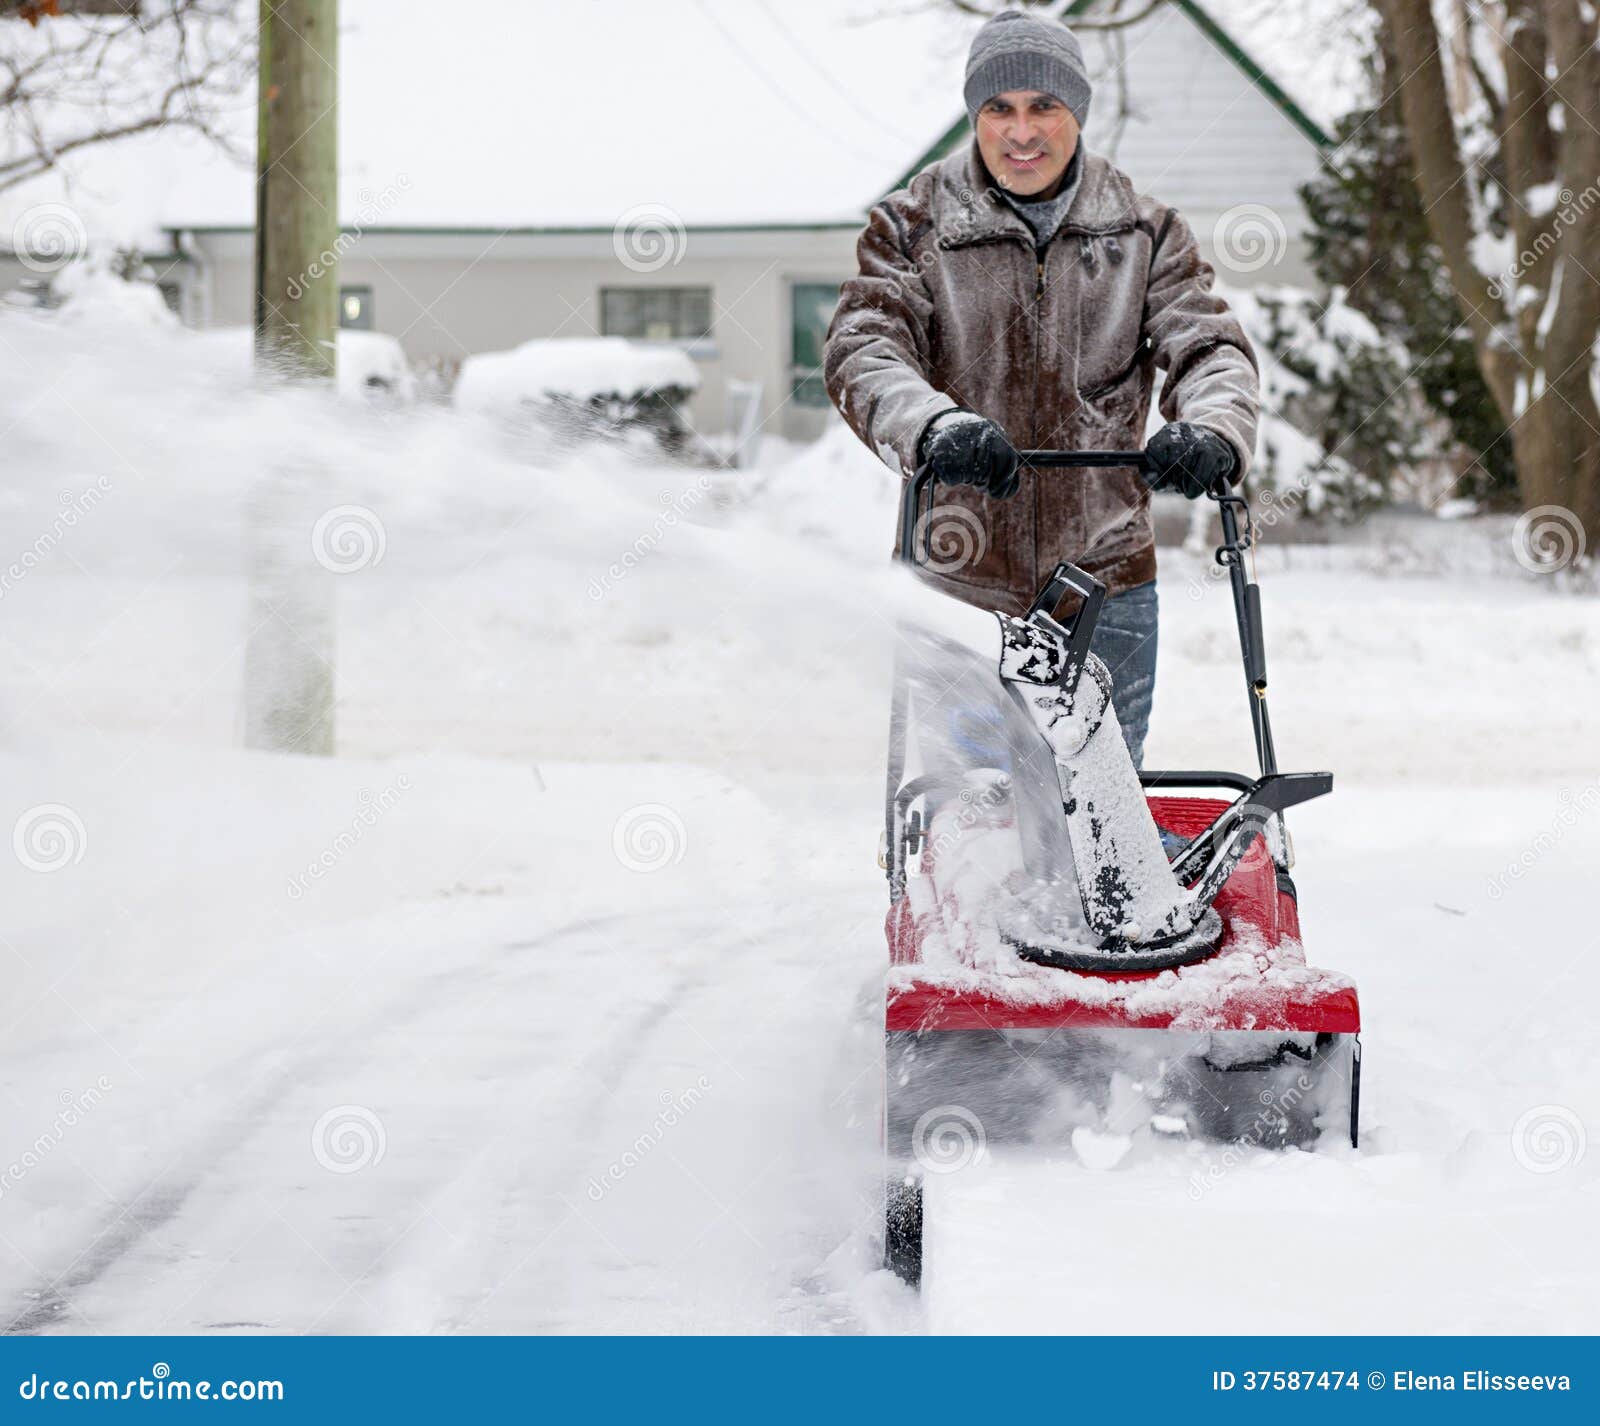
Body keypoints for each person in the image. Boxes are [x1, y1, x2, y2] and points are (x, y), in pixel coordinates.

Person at [824, 7, 1259, 768]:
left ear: (1076, 114)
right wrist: (933, 426)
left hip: (1106, 581)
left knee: (1098, 815)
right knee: (974, 810)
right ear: (976, 116)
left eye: (1043, 107)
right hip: (962, 580)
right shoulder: (912, 227)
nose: (1021, 132)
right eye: (999, 108)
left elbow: (1210, 347)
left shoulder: (1142, 232)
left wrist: (1213, 431)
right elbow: (865, 348)